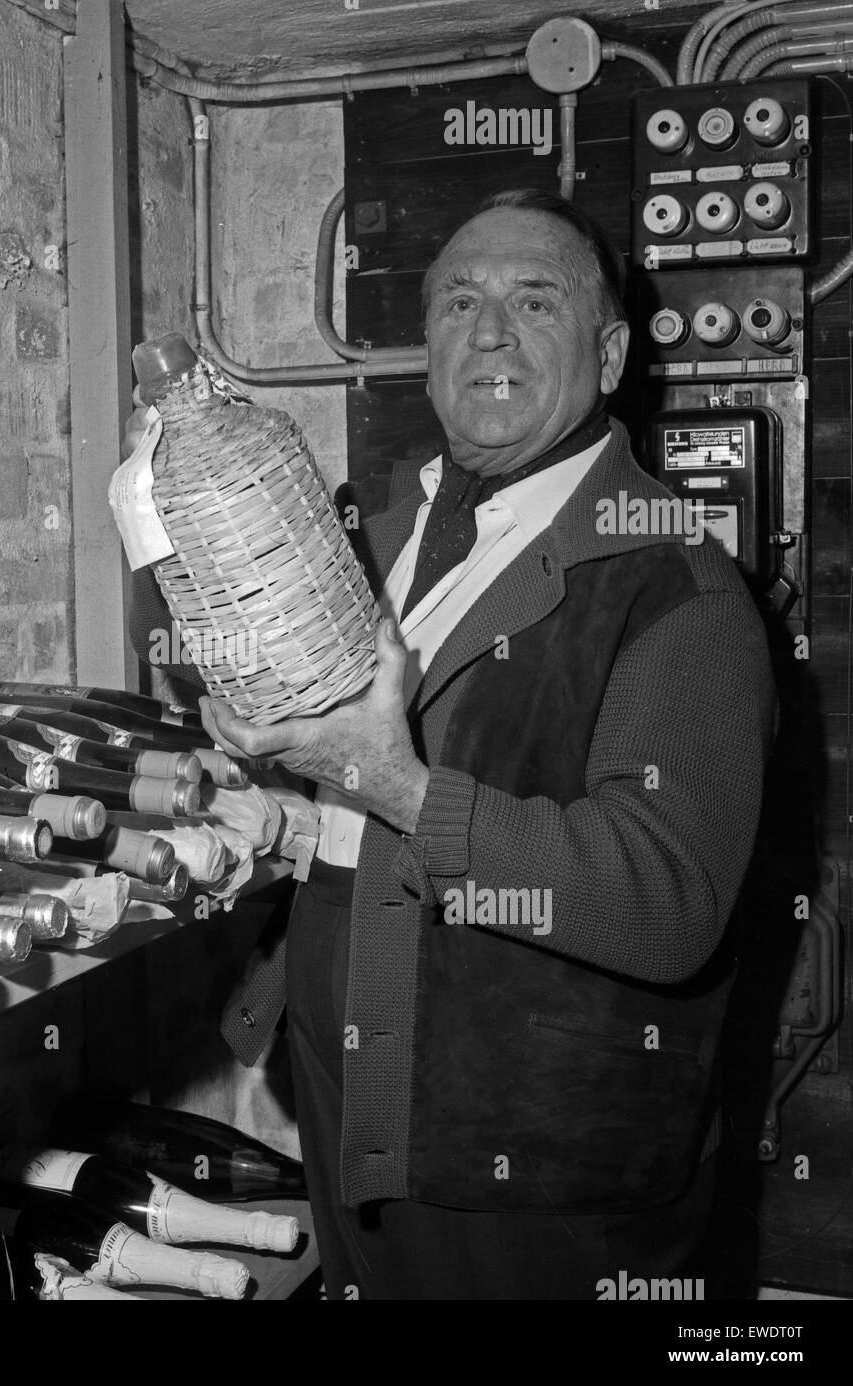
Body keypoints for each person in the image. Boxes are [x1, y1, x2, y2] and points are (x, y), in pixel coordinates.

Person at [129, 187, 777, 1298]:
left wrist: (384, 777)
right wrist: (287, 816)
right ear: (425, 345)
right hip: (358, 1124)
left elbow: (666, 900)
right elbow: (372, 802)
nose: (489, 331)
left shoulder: (677, 584)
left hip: (545, 1187)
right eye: (457, 303)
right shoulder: (380, 539)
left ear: (611, 352)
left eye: (536, 301)